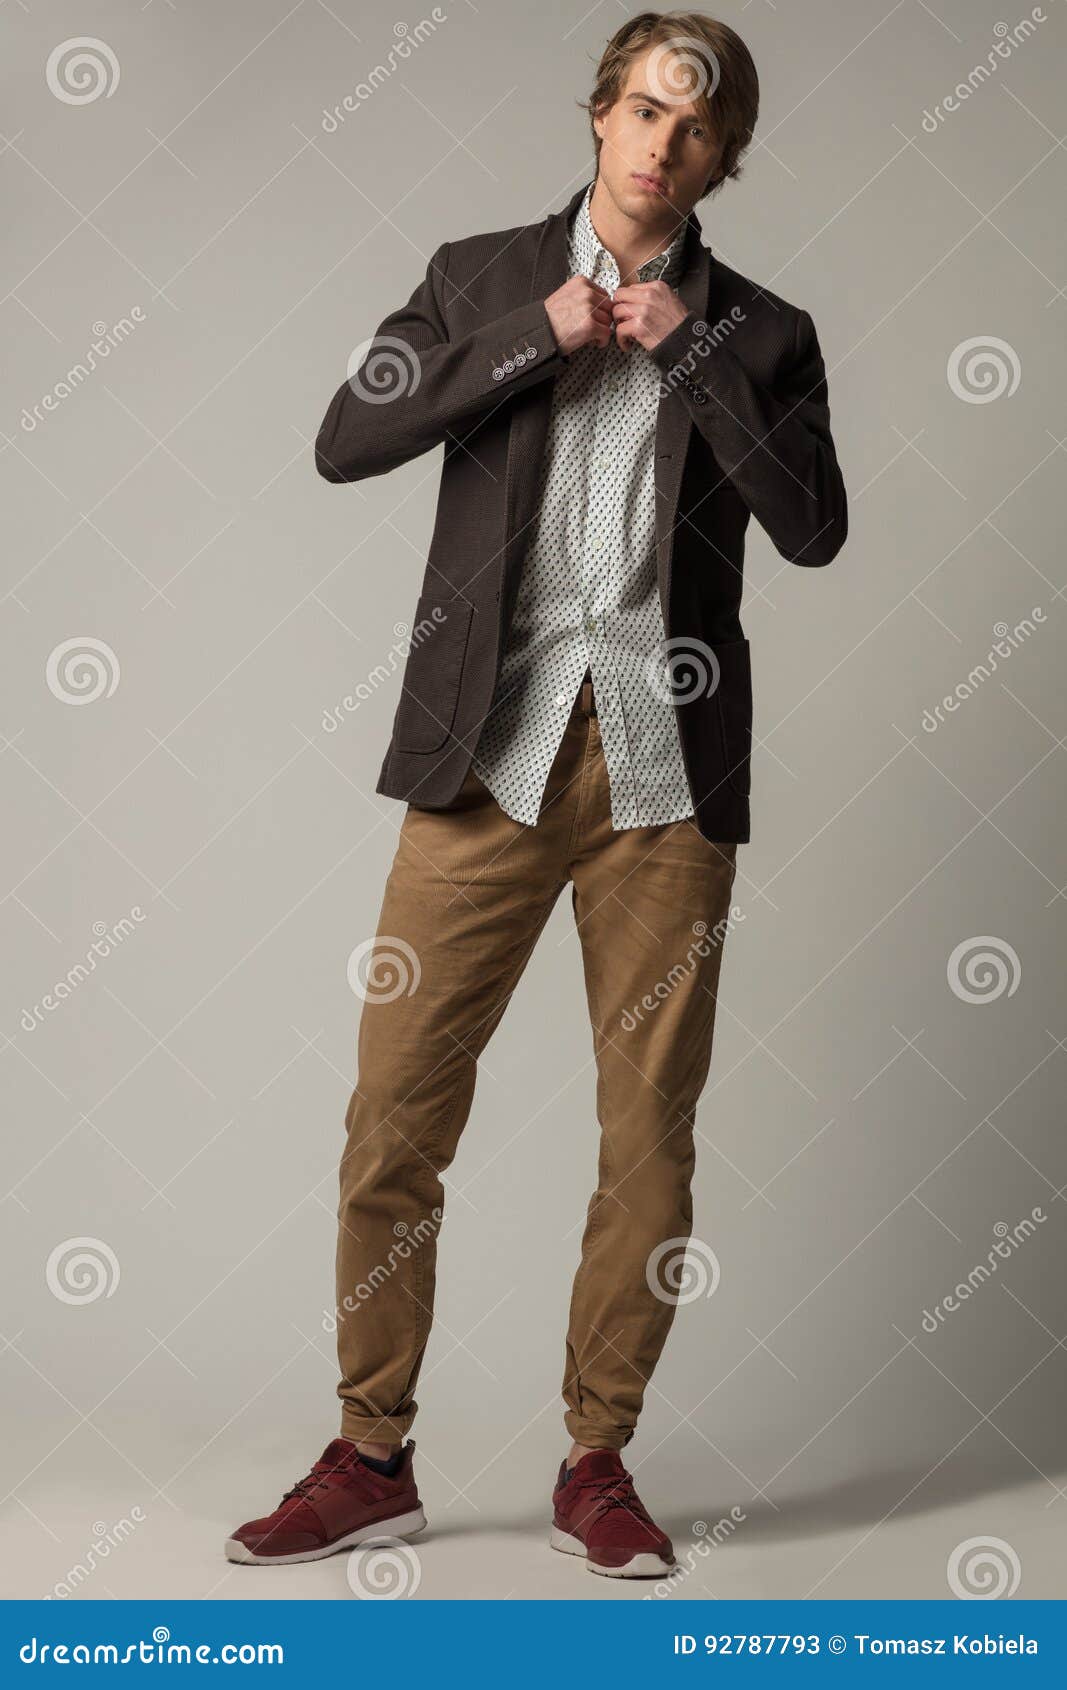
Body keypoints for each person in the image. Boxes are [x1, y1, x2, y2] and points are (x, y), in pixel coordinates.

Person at [226, 8, 846, 1578]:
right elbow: (348, 433)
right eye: (641, 109)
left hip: (664, 774)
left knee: (650, 1137)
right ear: (597, 115)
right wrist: (540, 335)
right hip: (481, 758)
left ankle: (598, 1458)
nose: (659, 144)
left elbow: (815, 523)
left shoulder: (764, 330)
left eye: (692, 129)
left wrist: (683, 350)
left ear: (723, 158)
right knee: (394, 1115)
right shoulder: (475, 276)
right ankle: (372, 1453)